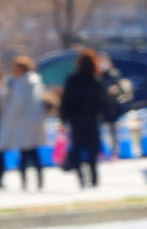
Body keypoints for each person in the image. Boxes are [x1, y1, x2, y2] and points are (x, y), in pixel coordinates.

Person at [58, 49, 107, 188]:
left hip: (76, 120)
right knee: (92, 149)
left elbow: (66, 101)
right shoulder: (95, 80)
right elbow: (102, 101)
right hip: (92, 119)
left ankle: (81, 177)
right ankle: (94, 176)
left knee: (77, 148)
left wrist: (63, 118)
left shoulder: (72, 80)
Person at [0, 56, 48, 191]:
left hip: (22, 123)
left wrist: (6, 122)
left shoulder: (20, 84)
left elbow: (15, 106)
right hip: (35, 122)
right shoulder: (36, 81)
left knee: (24, 153)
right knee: (34, 152)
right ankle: (39, 181)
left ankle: (25, 182)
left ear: (20, 69)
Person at [97, 53, 132, 160]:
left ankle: (114, 152)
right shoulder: (96, 75)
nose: (102, 64)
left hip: (112, 106)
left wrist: (116, 91)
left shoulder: (114, 74)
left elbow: (121, 89)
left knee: (113, 131)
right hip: (100, 106)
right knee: (99, 131)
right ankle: (100, 152)